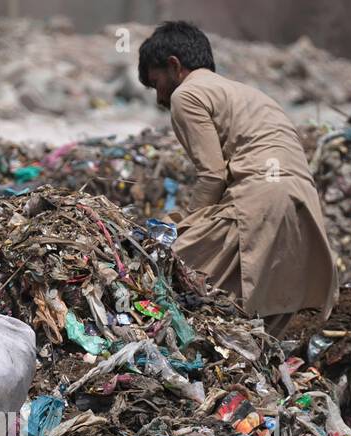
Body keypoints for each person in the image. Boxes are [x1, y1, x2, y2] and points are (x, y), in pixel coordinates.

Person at [138, 21, 338, 336]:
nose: (158, 96)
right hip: (301, 202)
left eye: (156, 81)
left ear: (174, 66)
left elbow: (212, 174)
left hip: (259, 196)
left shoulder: (186, 95)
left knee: (166, 270)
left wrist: (193, 221)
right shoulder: (243, 92)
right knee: (260, 314)